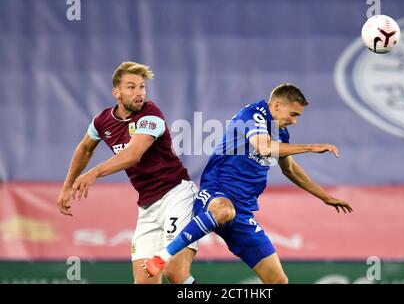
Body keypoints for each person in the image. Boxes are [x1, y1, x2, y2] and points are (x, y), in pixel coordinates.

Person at [142, 83, 353, 283]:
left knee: (278, 280)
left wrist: (326, 197)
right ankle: (161, 256)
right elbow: (264, 147)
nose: (295, 121)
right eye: (293, 114)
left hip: (242, 211)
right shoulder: (251, 115)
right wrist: (312, 147)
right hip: (215, 194)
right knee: (220, 217)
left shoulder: (280, 132)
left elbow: (289, 169)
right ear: (277, 106)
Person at [57, 61, 198, 284]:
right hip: (147, 207)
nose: (139, 92)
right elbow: (84, 148)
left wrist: (93, 174)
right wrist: (67, 186)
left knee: (174, 272)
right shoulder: (102, 121)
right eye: (131, 87)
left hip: (176, 196)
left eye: (142, 87)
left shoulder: (151, 115)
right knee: (143, 281)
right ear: (117, 92)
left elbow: (133, 154)